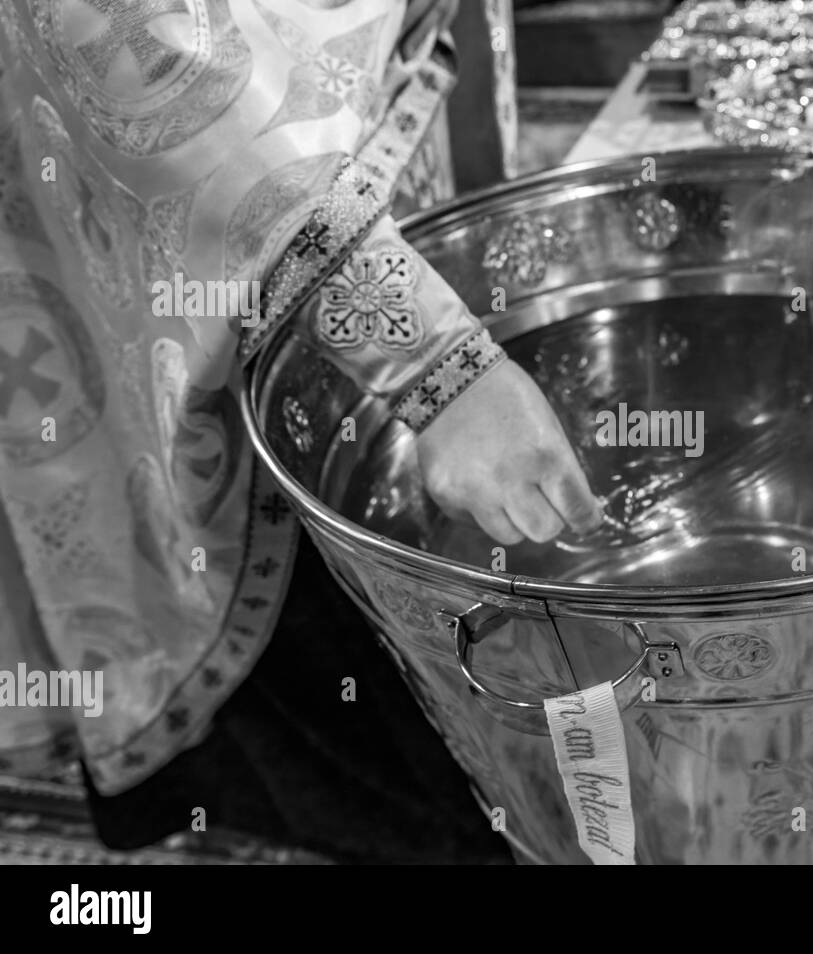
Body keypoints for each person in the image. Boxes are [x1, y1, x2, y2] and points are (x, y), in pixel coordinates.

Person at [0, 0, 601, 862]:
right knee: (409, 742)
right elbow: (143, 48)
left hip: (364, 125)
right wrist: (440, 368)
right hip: (219, 247)